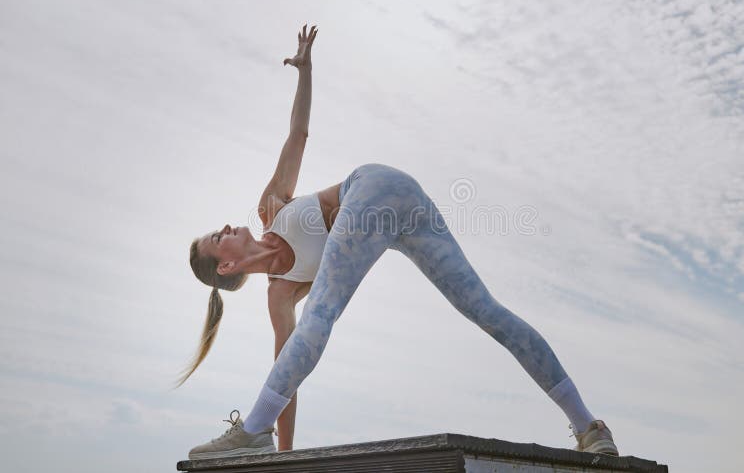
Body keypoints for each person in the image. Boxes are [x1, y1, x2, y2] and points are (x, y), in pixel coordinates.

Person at [175, 24, 619, 459]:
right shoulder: (280, 293)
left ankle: (251, 433)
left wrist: (305, 72)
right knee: (482, 310)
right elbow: (286, 376)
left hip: (375, 186)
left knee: (322, 313)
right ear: (227, 267)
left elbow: (298, 134)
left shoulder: (272, 206)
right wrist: (287, 458)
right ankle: (589, 427)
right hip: (405, 215)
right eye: (219, 237)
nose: (228, 226)